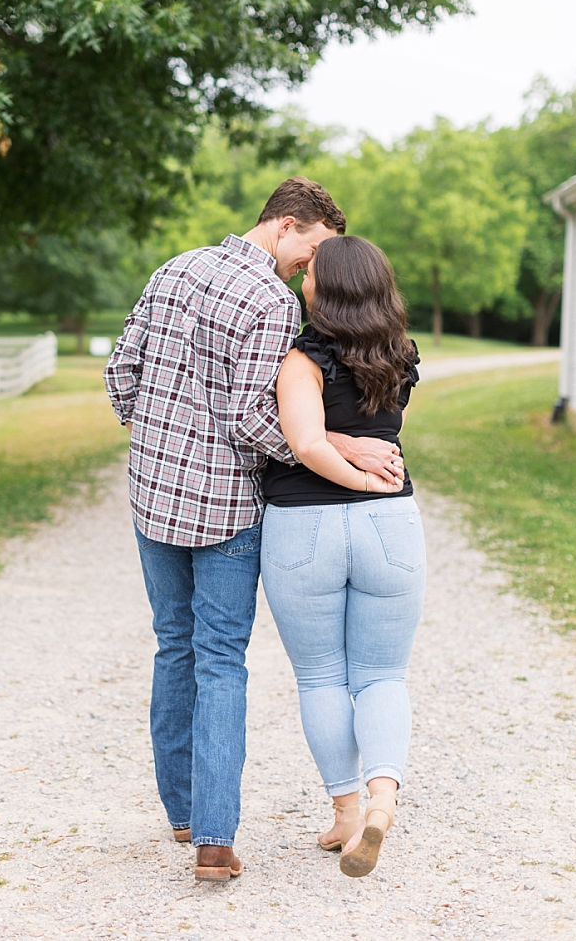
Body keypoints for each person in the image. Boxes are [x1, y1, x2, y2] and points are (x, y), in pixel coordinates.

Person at [104, 178, 404, 882]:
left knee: (172, 645)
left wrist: (158, 438)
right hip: (227, 511)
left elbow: (121, 376)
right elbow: (249, 418)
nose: (311, 271)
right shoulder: (269, 298)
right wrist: (338, 442)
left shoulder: (172, 268)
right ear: (288, 225)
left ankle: (181, 812)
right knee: (218, 659)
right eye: (312, 252)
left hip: (153, 498)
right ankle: (213, 837)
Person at [259, 235, 423, 878]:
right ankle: (384, 797)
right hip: (392, 524)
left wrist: (348, 473)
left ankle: (346, 814)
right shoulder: (400, 357)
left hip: (305, 528)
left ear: (327, 289)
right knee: (383, 675)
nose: (302, 283)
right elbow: (365, 430)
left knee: (323, 676)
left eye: (312, 276)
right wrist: (369, 473)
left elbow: (302, 442)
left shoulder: (302, 357)